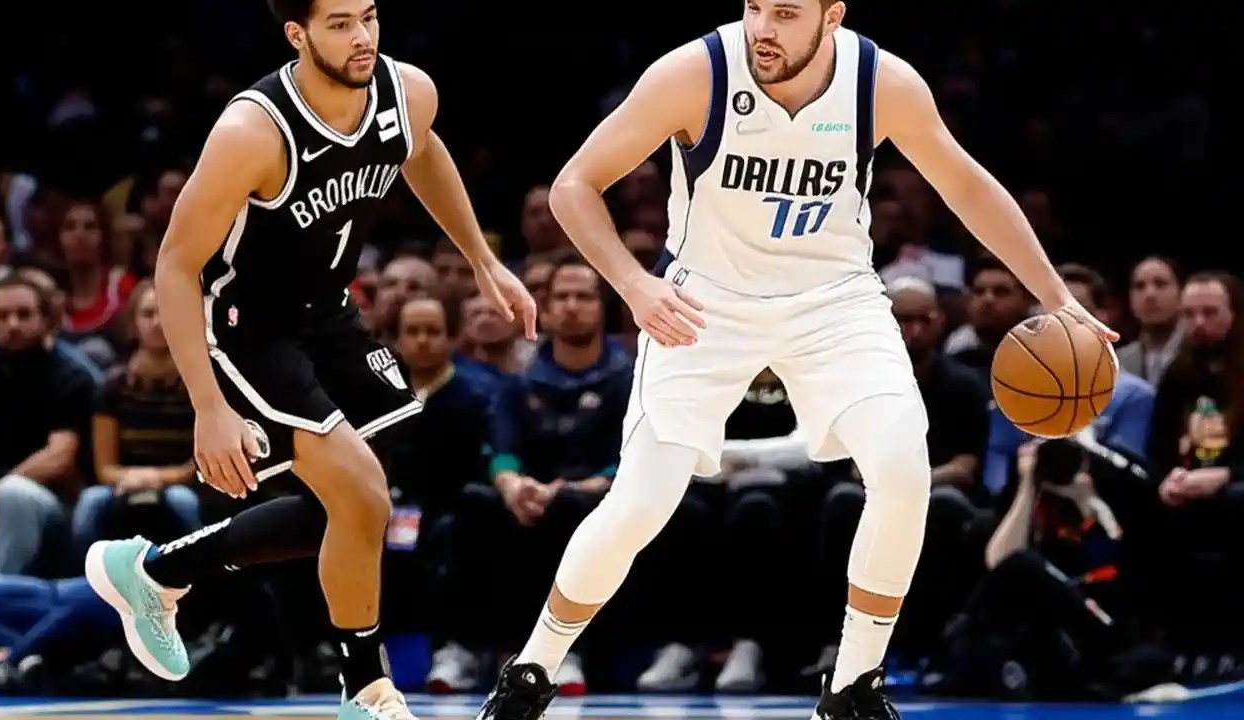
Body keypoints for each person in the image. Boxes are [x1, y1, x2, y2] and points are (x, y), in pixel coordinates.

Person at [473, 2, 1116, 720]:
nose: (763, 29)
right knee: (640, 503)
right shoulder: (697, 73)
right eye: (754, 8)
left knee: (904, 471)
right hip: (705, 300)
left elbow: (965, 186)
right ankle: (532, 669)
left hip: (834, 301)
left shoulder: (883, 82)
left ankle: (852, 687)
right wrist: (635, 284)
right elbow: (573, 185)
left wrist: (1057, 297)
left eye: (784, 13)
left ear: (830, 16)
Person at [82, 1, 535, 719]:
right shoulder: (251, 133)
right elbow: (173, 263)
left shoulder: (406, 91)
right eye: (338, 24)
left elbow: (422, 149)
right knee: (360, 494)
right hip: (244, 325)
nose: (361, 37)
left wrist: (482, 261)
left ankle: (156, 569)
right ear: (296, 35)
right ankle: (364, 688)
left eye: (370, 17)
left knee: (378, 496)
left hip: (328, 313)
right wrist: (208, 406)